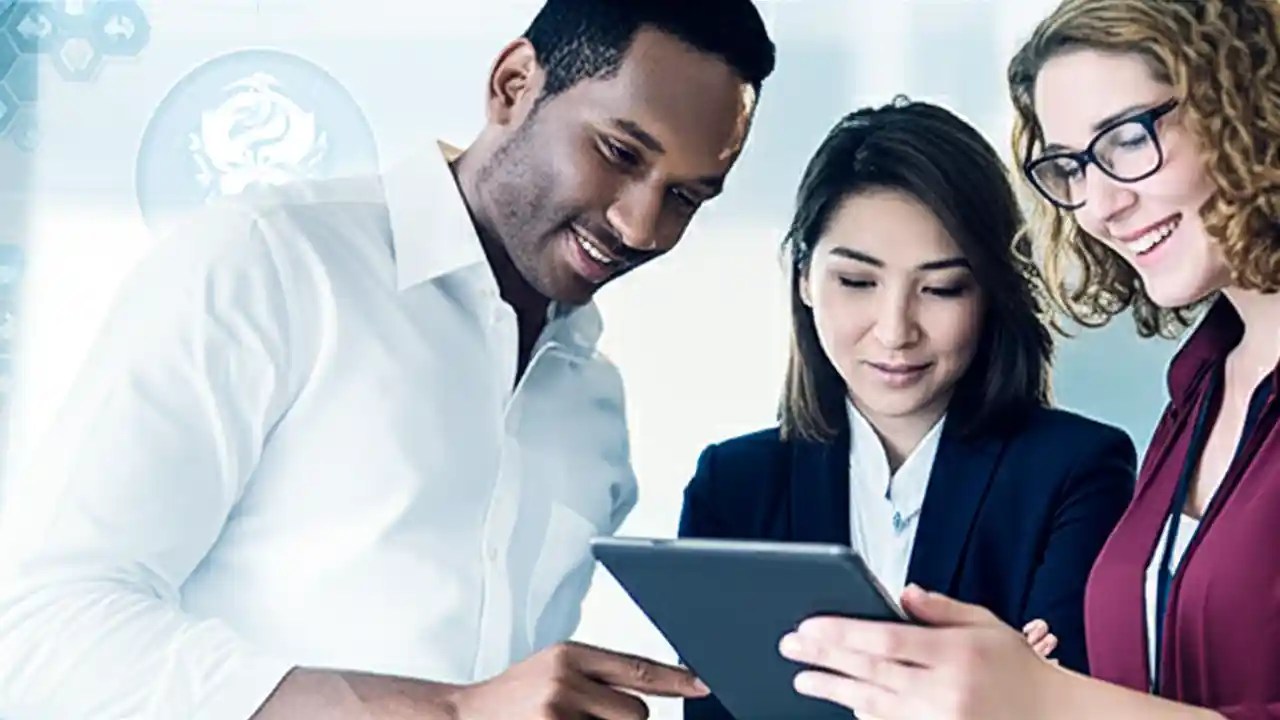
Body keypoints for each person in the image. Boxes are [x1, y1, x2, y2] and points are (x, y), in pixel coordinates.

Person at [0, 1, 777, 718]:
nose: (642, 226)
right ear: (512, 87)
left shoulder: (593, 399)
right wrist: (450, 710)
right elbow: (43, 634)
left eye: (687, 197)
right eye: (618, 152)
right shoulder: (270, 263)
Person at [774, 1, 1280, 719]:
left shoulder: (1090, 455)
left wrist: (1044, 699)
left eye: (1128, 139)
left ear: (1249, 104)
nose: (1100, 207)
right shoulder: (1201, 386)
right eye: (1070, 167)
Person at [678, 98, 1136, 719]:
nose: (896, 331)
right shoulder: (733, 487)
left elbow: (1067, 701)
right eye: (858, 282)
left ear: (991, 294)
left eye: (942, 288)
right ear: (805, 278)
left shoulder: (1076, 471)